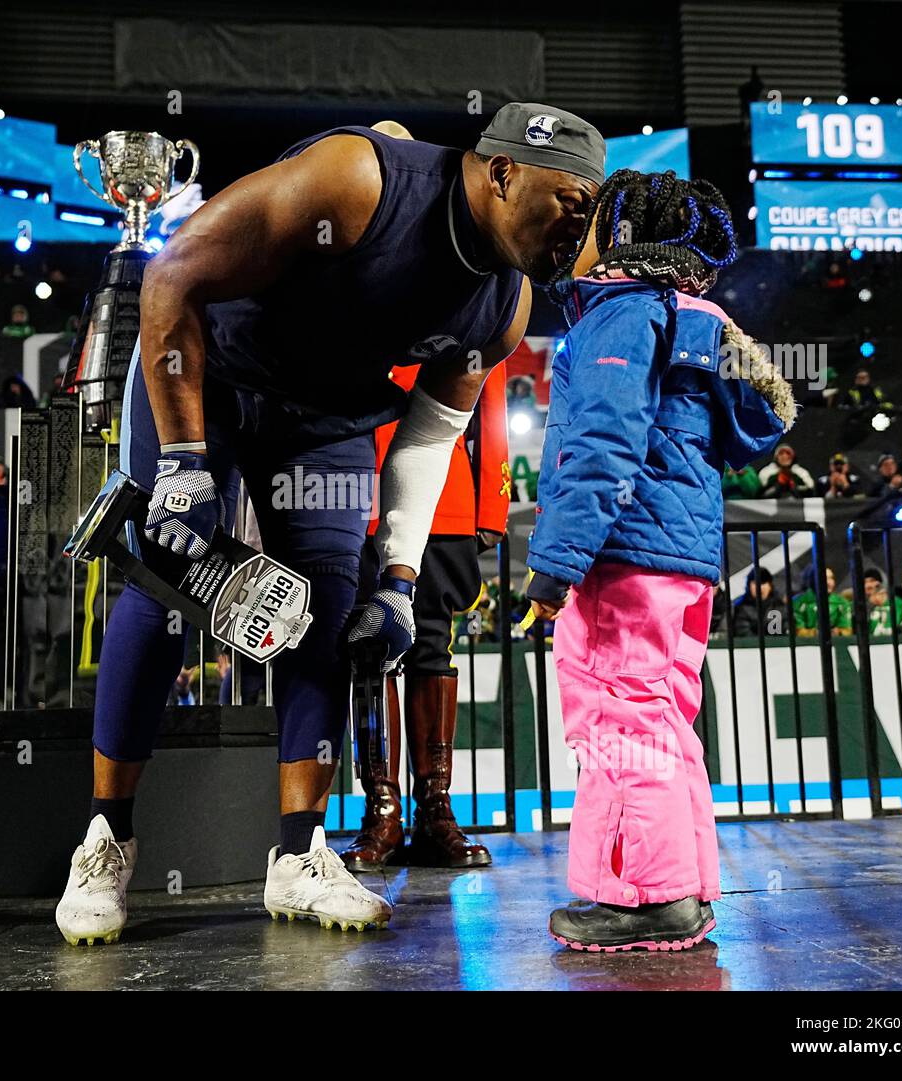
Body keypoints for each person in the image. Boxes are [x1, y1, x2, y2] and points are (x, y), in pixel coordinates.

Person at [54, 103, 607, 945]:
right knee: (166, 583)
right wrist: (184, 459)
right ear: (502, 172)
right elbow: (170, 277)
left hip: (324, 415)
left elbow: (430, 436)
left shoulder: (502, 308)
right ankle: (106, 839)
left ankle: (298, 852)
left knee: (326, 610)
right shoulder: (357, 180)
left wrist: (400, 580)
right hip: (210, 369)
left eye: (590, 210)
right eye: (570, 200)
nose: (579, 225)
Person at [523, 169, 794, 951]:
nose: (578, 241)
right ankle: (683, 885)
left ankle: (646, 895)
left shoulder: (620, 313)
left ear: (621, 238)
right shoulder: (692, 321)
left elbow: (603, 444)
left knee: (619, 720)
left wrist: (557, 562)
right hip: (681, 560)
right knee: (661, 719)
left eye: (593, 226)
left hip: (623, 555)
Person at [342, 354, 509, 872]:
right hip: (357, 487)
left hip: (443, 494)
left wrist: (492, 505)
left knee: (432, 647)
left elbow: (489, 400)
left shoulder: (469, 304)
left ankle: (435, 809)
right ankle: (382, 810)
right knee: (369, 653)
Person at [792, 566, 852, 637]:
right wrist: (816, 633)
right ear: (812, 580)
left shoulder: (842, 602)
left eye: (831, 578)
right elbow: (798, 632)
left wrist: (837, 632)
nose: (829, 582)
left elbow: (846, 631)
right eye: (824, 578)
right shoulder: (798, 602)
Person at [731, 567, 789, 637]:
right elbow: (743, 635)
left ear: (770, 586)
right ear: (749, 586)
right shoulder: (740, 608)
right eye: (755, 583)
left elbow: (786, 633)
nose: (760, 587)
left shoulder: (780, 606)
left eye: (763, 583)